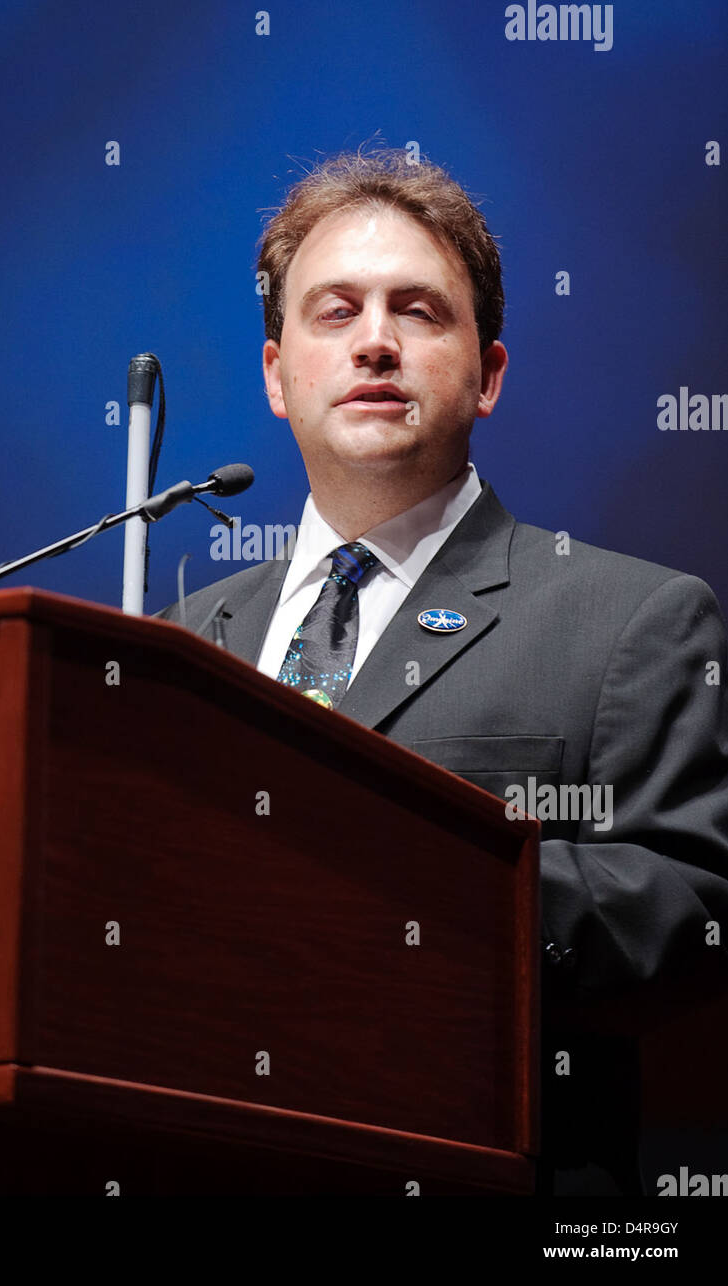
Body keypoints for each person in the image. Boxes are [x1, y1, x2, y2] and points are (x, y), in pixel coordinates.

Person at [158, 148, 728, 1194]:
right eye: (334, 313)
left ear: (488, 373)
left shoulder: (630, 619)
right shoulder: (175, 646)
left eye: (416, 311)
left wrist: (404, 883)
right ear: (276, 376)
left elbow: (694, 903)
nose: (374, 340)